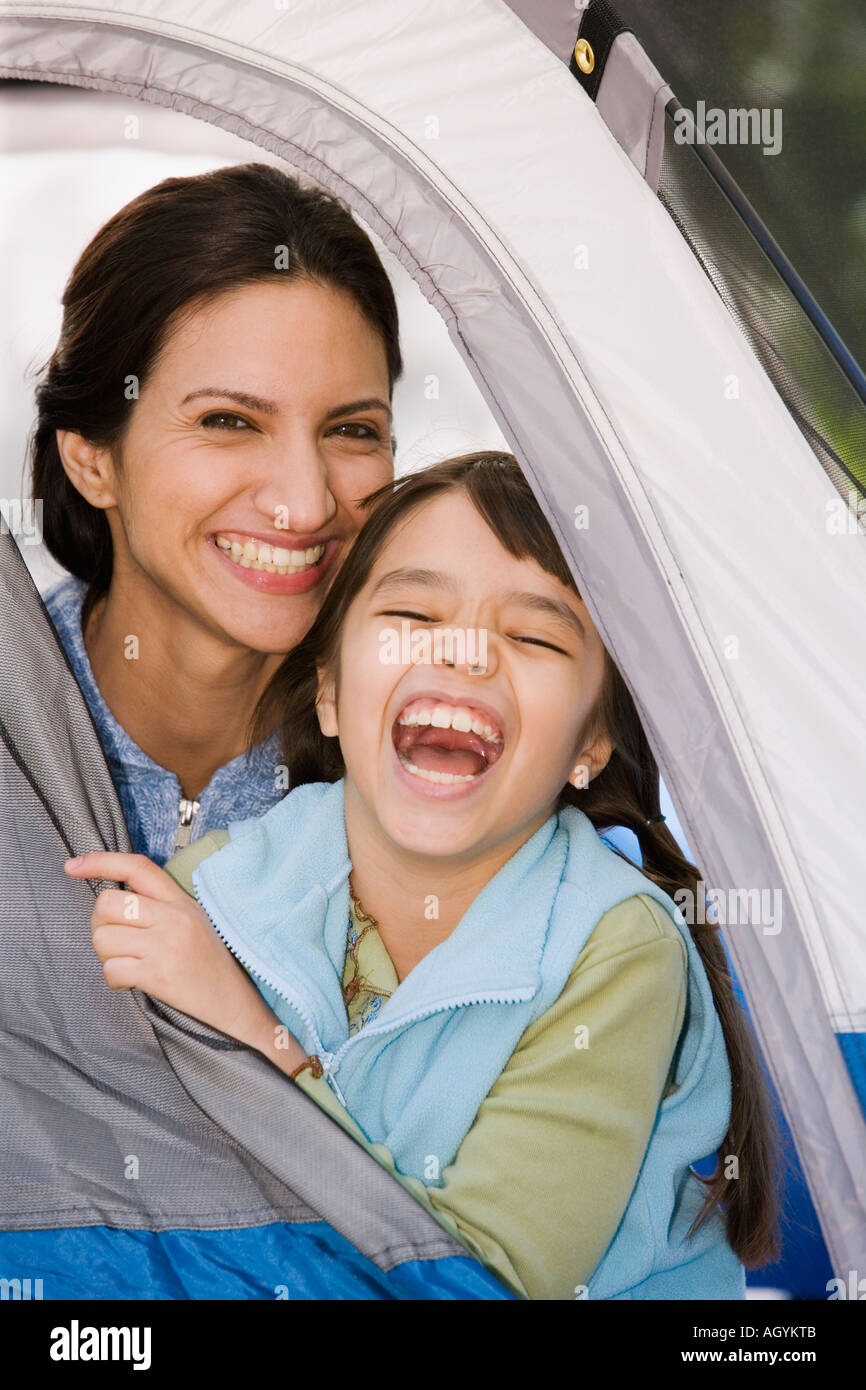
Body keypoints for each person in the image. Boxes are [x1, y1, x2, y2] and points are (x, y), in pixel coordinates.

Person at [65, 452, 780, 1300]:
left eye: (534, 635)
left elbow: (484, 1277)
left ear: (592, 745)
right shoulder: (221, 887)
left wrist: (260, 1038)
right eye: (413, 613)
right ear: (328, 690)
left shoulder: (617, 947)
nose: (469, 654)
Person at [33, 162, 400, 863]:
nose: (305, 504)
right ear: (91, 458)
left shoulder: (436, 748)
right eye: (229, 421)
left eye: (351, 430)